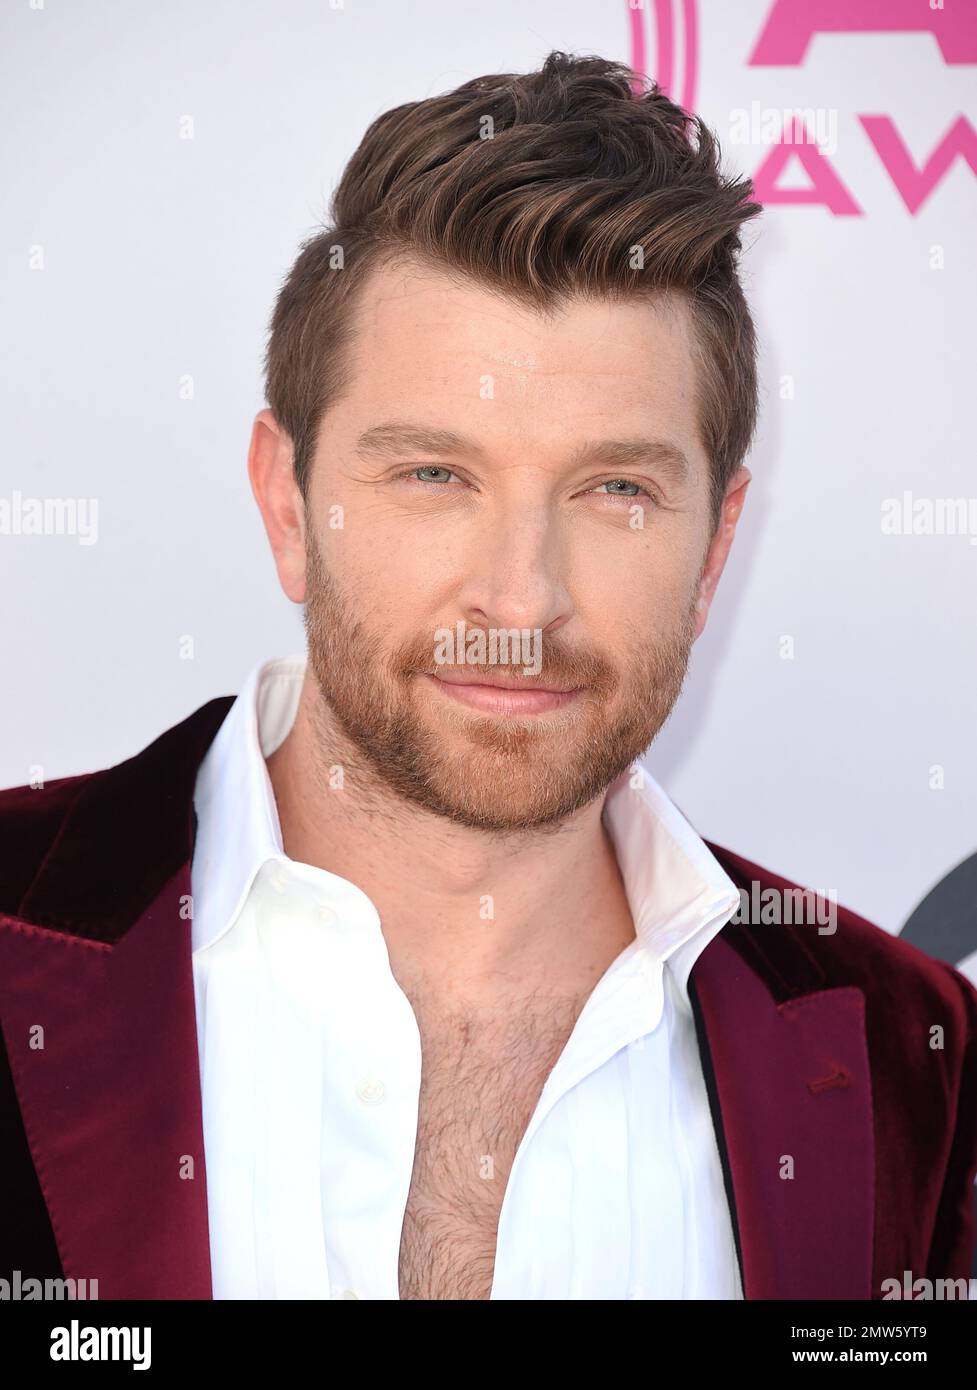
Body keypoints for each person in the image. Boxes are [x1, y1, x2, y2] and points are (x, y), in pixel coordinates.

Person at [1, 51, 975, 1301]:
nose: (520, 597)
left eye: (614, 489)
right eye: (432, 476)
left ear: (713, 545)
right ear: (286, 507)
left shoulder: (917, 1066)